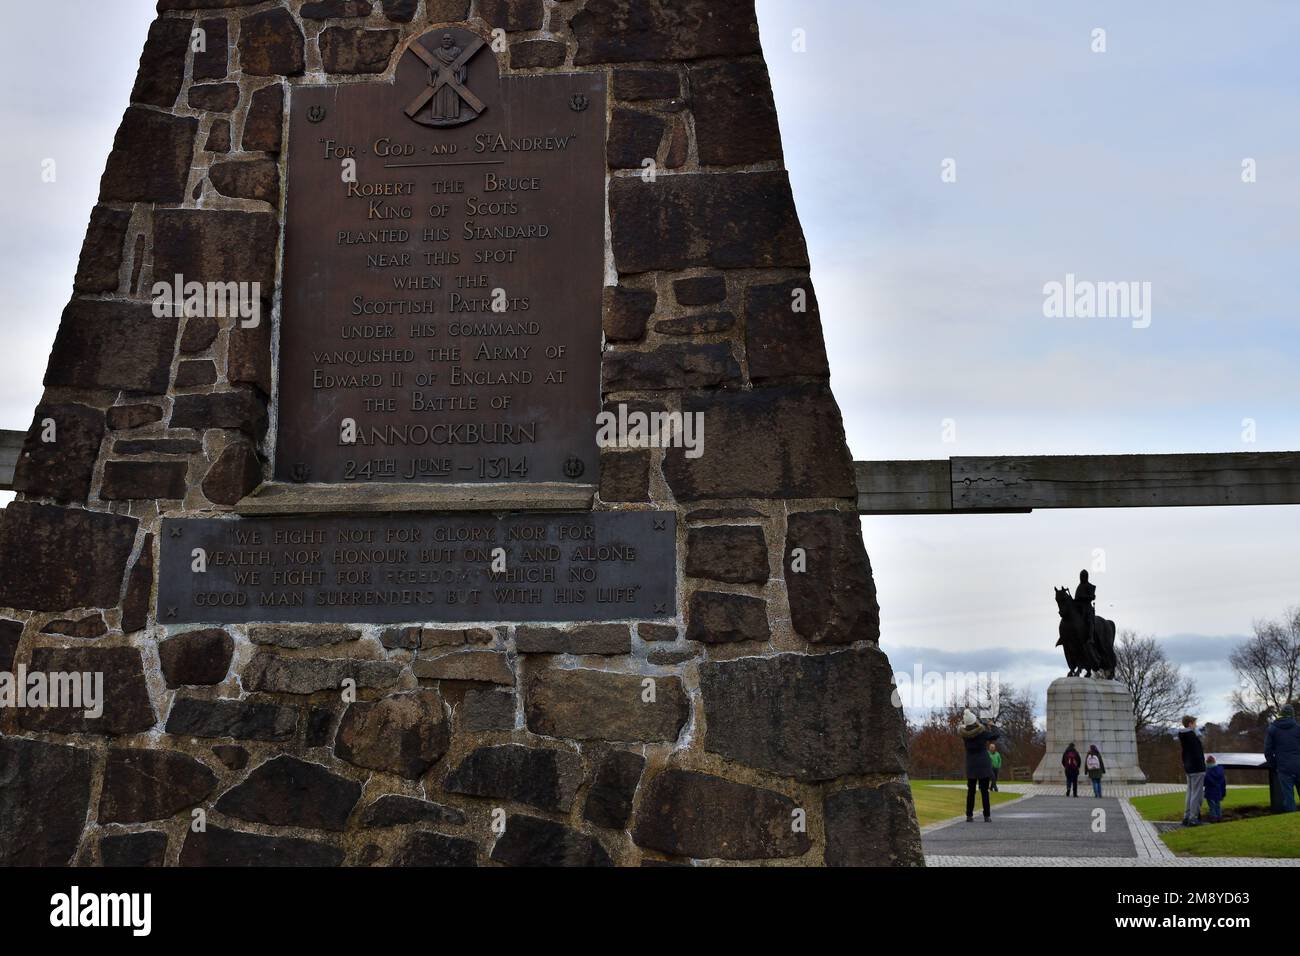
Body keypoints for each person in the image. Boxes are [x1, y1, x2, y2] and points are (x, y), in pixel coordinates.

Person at [958, 710, 1001, 822]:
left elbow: (965, 726)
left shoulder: (964, 735)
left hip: (971, 765)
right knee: (984, 791)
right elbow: (996, 735)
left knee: (971, 791)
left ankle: (969, 815)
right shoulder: (982, 733)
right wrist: (992, 725)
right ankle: (986, 815)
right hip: (983, 764)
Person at [1264, 703, 1300, 812]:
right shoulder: (1298, 728)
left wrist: (1275, 765)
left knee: (1288, 796)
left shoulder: (1272, 729)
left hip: (1283, 767)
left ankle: (1291, 818)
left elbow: (1267, 751)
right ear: (1292, 715)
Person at [1179, 715, 1206, 827]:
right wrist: (1202, 766)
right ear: (1190, 724)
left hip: (1189, 768)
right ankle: (1193, 818)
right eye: (1194, 723)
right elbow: (1197, 753)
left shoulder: (1183, 736)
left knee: (1190, 793)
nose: (1196, 725)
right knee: (1196, 794)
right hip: (1197, 768)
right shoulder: (1191, 736)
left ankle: (1187, 817)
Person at [1204, 755, 1226, 822]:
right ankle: (1219, 817)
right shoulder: (1221, 771)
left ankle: (1214, 818)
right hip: (1218, 792)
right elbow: (1223, 783)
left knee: (1212, 807)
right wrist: (1223, 793)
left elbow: (1205, 783)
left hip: (1210, 792)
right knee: (1217, 805)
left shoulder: (1207, 772)